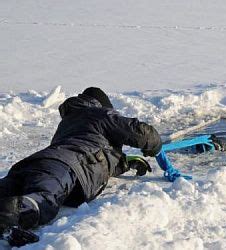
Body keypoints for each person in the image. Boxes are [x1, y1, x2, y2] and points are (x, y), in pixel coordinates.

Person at [0, 87, 162, 246]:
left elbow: (95, 153)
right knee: (45, 199)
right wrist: (155, 143)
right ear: (102, 104)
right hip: (64, 167)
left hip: (34, 164)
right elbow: (138, 132)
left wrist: (125, 163)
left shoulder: (68, 122)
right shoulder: (102, 114)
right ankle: (10, 220)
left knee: (9, 187)